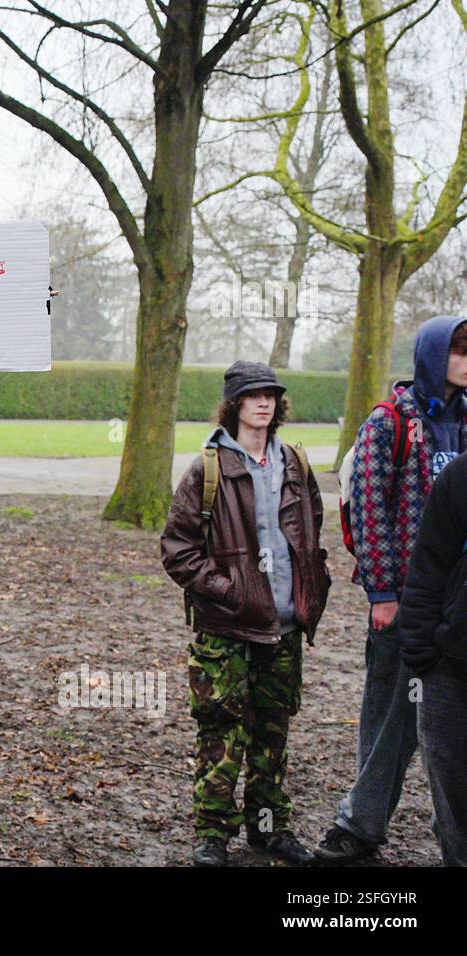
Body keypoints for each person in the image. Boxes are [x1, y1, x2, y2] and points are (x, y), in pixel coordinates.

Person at [161, 361, 330, 867]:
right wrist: (233, 592)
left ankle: (268, 829)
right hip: (226, 630)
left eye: (271, 395)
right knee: (219, 733)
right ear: (233, 405)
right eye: (253, 395)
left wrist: (309, 592)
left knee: (272, 735)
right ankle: (212, 834)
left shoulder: (295, 463)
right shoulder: (209, 469)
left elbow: (311, 533)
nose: (264, 403)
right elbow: (177, 550)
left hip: (284, 630)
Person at [317, 316, 467, 863]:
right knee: (390, 719)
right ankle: (358, 825)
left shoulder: (465, 421)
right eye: (460, 351)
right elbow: (371, 511)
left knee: (445, 728)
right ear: (433, 355)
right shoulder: (390, 423)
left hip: (452, 608)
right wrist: (382, 594)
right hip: (404, 597)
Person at [395, 447, 467, 866]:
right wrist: (423, 651)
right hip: (450, 668)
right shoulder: (459, 476)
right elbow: (429, 565)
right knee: (454, 796)